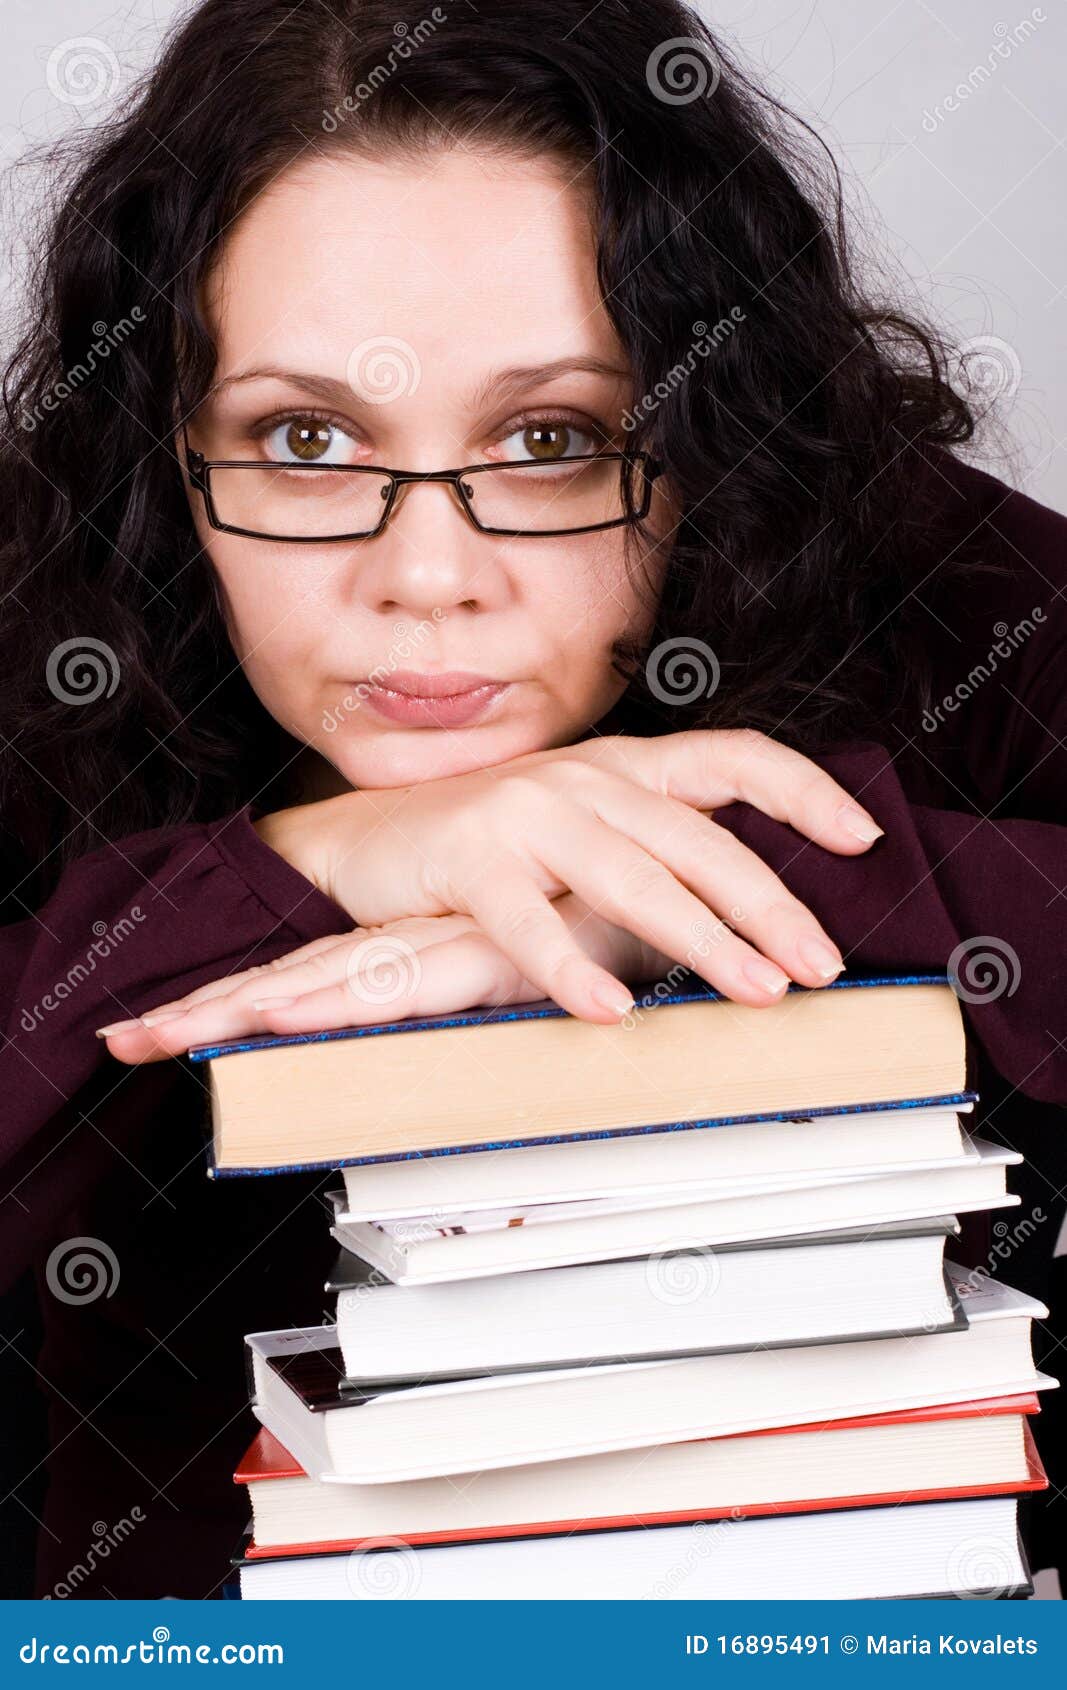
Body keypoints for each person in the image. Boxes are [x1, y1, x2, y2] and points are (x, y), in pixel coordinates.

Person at [1, 0, 1063, 1599]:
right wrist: (312, 863)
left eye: (554, 439)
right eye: (303, 439)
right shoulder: (43, 622)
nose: (430, 579)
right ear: (166, 446)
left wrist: (690, 869)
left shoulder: (921, 583)